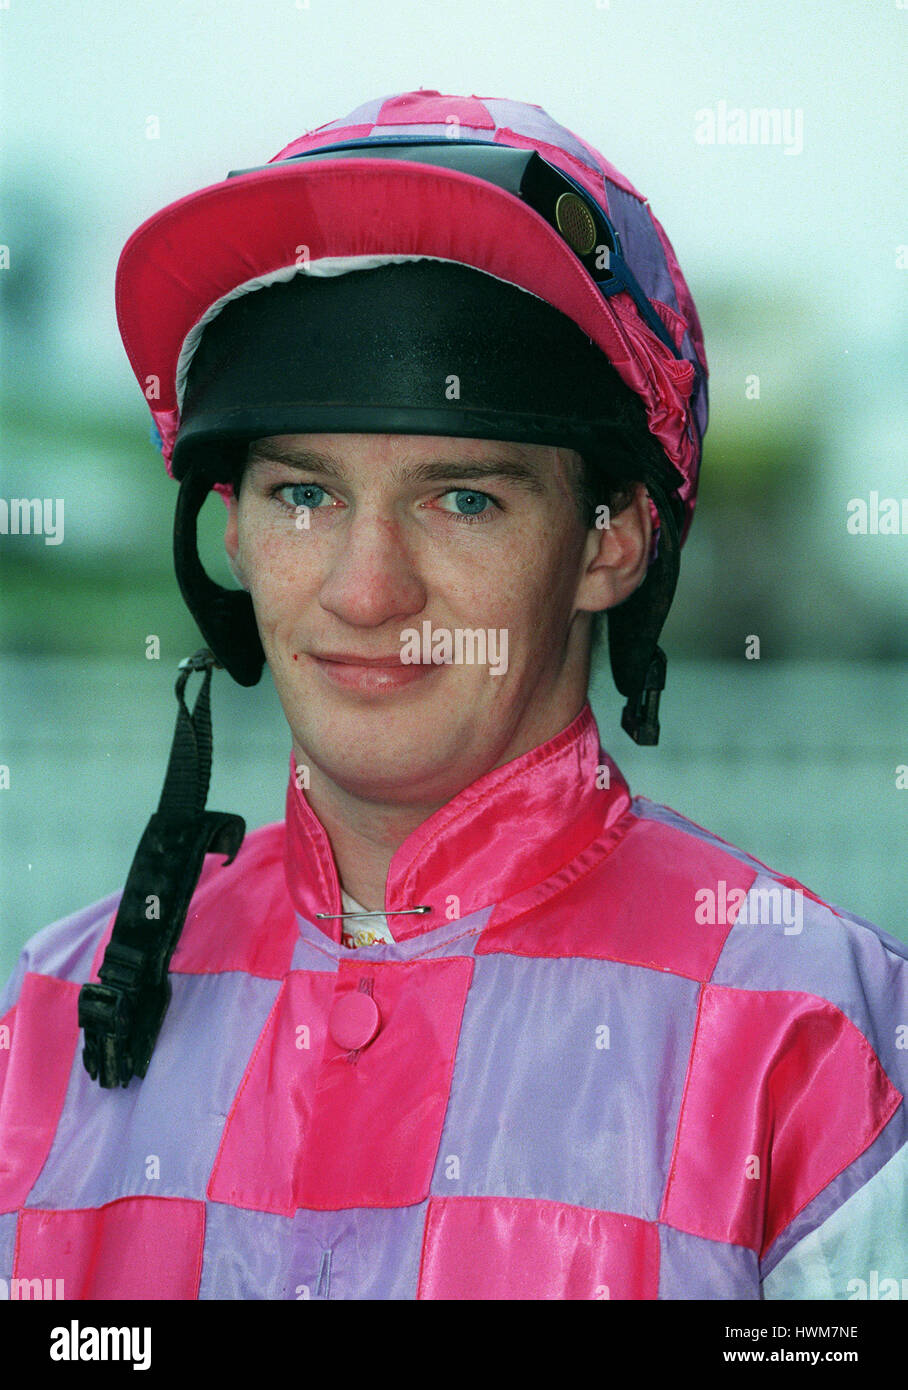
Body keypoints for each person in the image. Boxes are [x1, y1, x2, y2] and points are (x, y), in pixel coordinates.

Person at [1, 90, 904, 1302]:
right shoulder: (46, 1019)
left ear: (608, 544)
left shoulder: (818, 1039)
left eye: (461, 499)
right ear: (227, 535)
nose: (365, 593)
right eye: (302, 495)